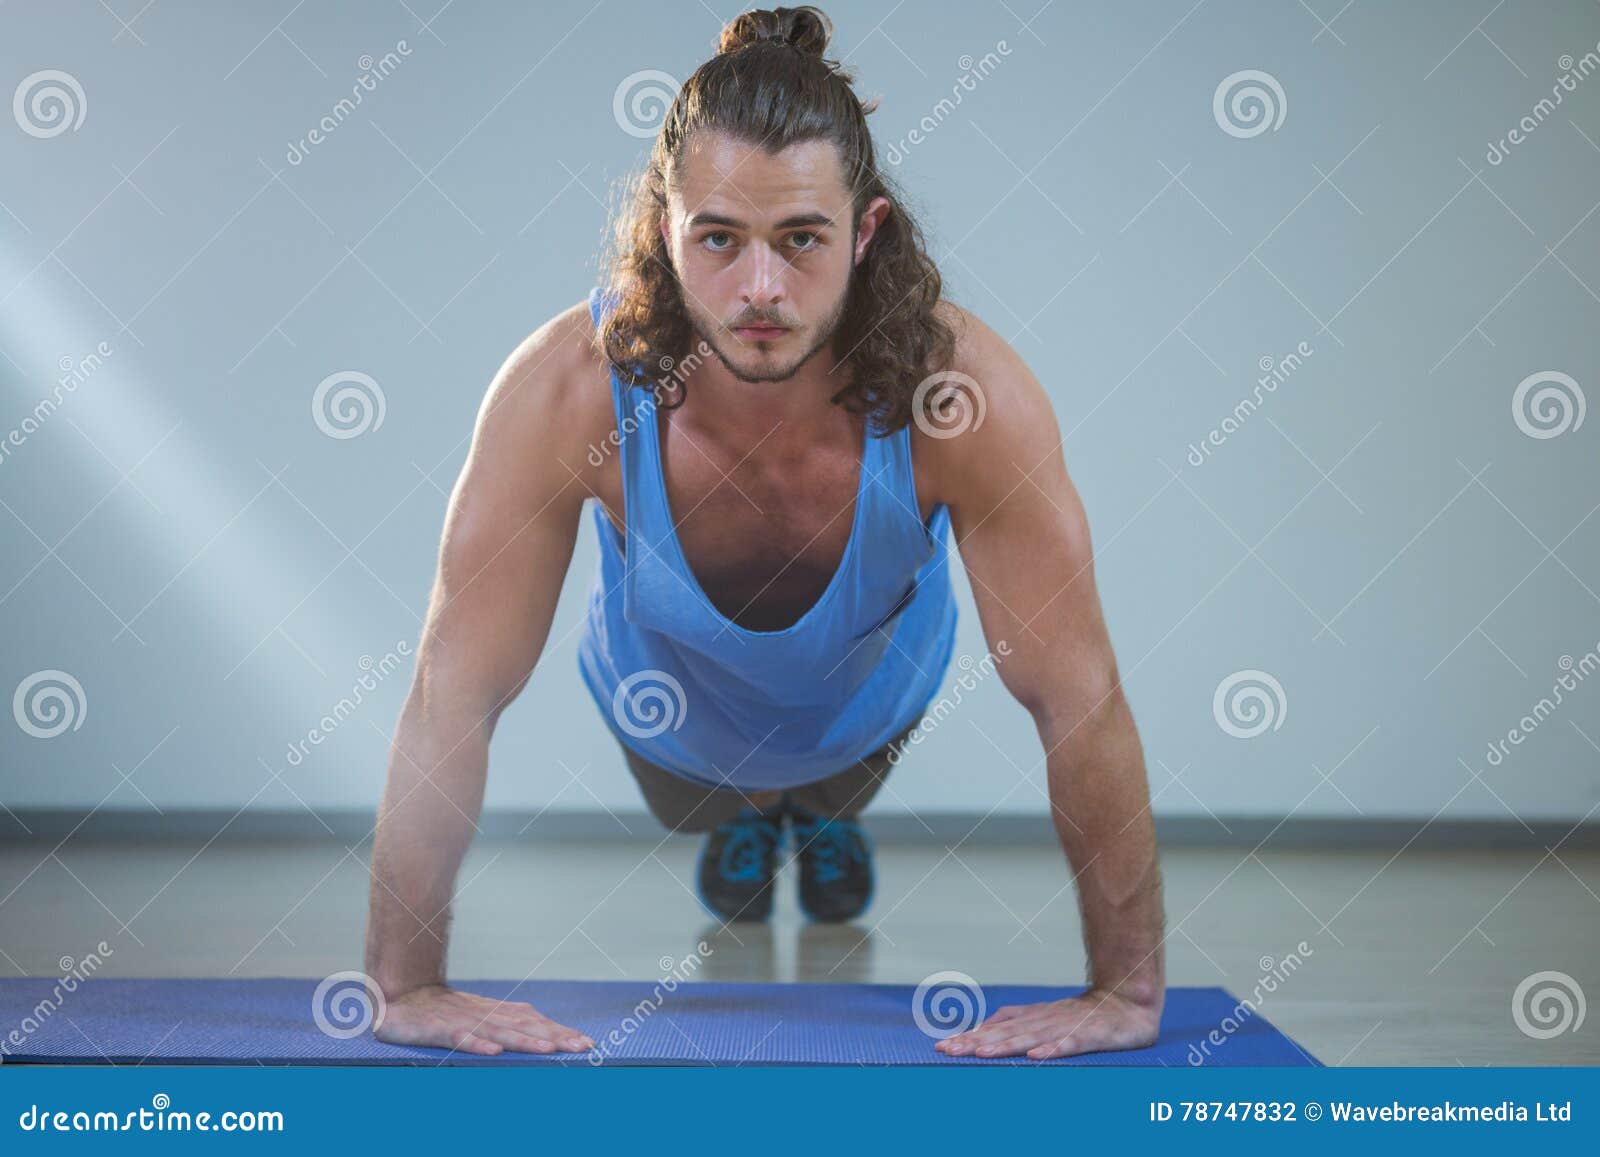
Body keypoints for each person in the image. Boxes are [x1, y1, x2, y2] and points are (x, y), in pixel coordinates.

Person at [364, 5, 1165, 1062]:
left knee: (816, 780)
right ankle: (760, 815)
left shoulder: (960, 397)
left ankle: (805, 813)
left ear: (864, 232)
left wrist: (1127, 988)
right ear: (664, 230)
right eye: (718, 238)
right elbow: (450, 687)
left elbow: (1080, 692)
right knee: (719, 804)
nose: (760, 290)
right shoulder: (565, 392)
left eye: (800, 240)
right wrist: (404, 978)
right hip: (672, 720)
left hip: (862, 709)